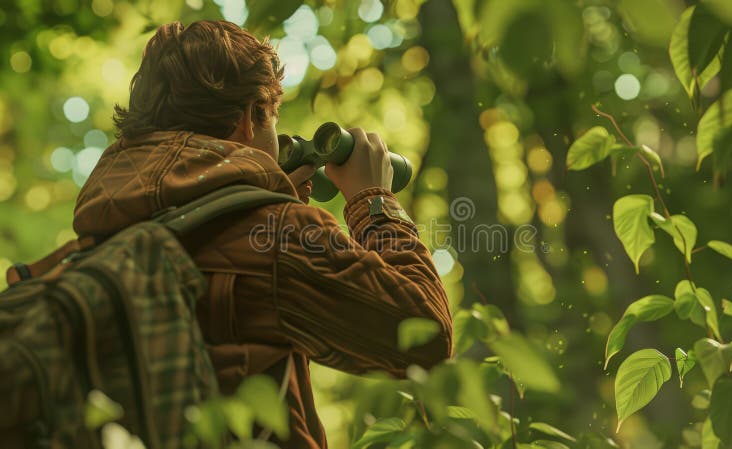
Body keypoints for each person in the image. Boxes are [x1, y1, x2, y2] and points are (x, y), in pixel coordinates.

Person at [71, 20, 453, 449]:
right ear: (249, 119)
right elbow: (426, 340)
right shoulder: (275, 237)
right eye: (274, 122)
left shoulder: (101, 238)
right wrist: (372, 200)